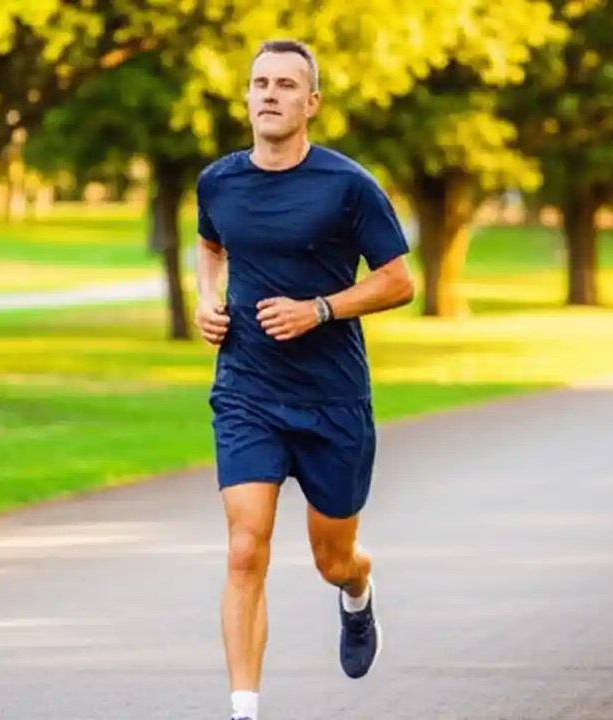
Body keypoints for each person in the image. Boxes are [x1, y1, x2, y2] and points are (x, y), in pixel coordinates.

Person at [192, 39, 415, 720]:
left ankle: (358, 592)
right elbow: (209, 242)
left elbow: (399, 280)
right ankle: (244, 711)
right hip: (247, 392)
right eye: (259, 82)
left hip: (332, 401)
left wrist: (320, 309)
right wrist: (207, 297)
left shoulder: (348, 186)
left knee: (332, 557)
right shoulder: (218, 182)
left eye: (286, 84)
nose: (269, 94)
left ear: (311, 102)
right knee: (244, 546)